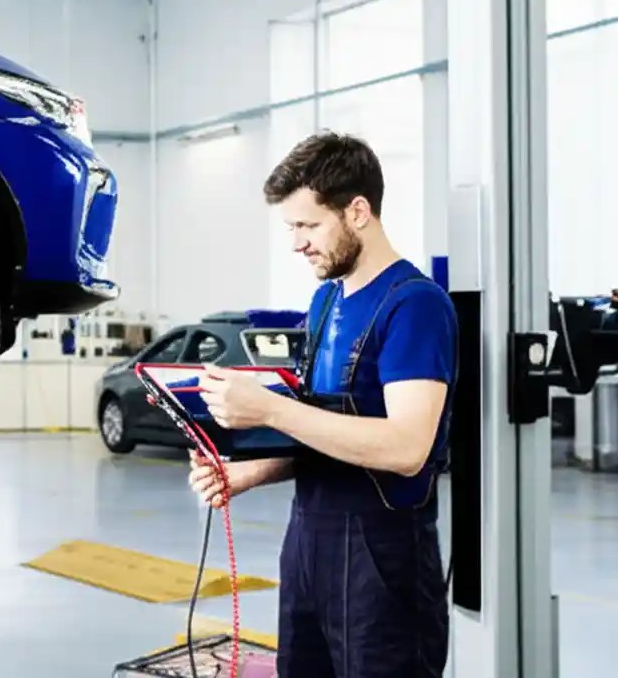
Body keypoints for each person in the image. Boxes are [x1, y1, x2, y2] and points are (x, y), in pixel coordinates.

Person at [187, 131, 457, 677]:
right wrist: (250, 472)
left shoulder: (415, 306)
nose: (296, 243)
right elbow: (326, 432)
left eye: (308, 225)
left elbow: (406, 447)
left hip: (383, 562)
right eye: (291, 227)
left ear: (358, 211)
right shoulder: (327, 299)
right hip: (309, 542)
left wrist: (268, 409)